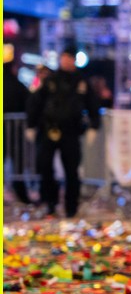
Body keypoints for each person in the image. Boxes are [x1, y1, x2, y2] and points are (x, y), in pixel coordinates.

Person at [24, 49, 100, 218]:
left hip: (71, 130)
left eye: (69, 58)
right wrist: (31, 125)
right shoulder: (51, 79)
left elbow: (92, 104)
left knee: (71, 170)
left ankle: (71, 206)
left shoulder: (81, 81)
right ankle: (50, 203)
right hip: (48, 129)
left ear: (74, 60)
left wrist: (94, 125)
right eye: (63, 58)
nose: (65, 61)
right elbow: (35, 102)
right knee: (45, 166)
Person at [4, 53, 33, 203]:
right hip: (16, 133)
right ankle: (21, 193)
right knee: (18, 164)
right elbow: (29, 102)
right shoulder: (17, 85)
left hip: (12, 131)